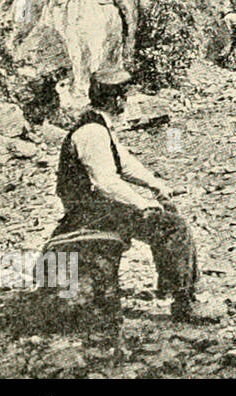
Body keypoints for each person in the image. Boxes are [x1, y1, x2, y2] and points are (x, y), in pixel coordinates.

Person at [51, 69, 206, 322]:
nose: (126, 101)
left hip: (98, 206)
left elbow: (125, 164)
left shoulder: (99, 126)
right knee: (172, 227)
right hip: (91, 212)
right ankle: (184, 302)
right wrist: (143, 203)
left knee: (165, 218)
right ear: (117, 100)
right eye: (124, 96)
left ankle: (176, 289)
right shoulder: (91, 132)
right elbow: (105, 181)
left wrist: (157, 186)